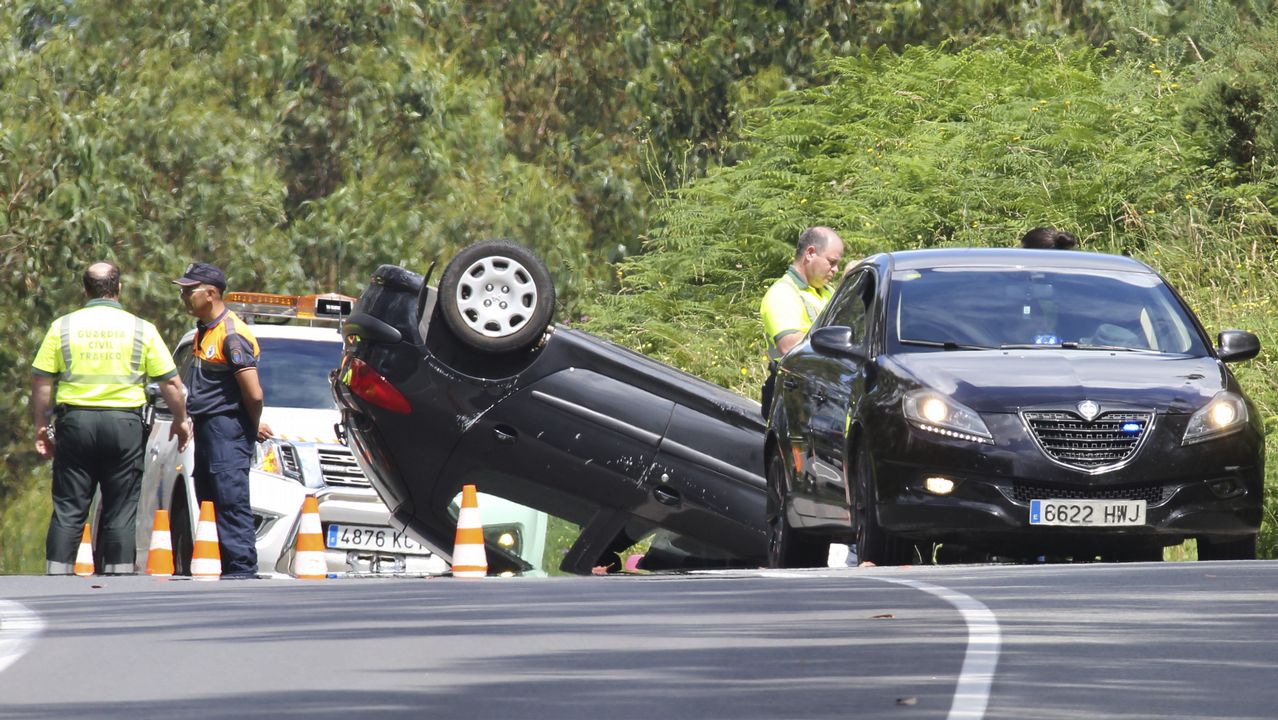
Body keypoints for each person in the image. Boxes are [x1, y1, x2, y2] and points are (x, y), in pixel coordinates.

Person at [30, 261, 192, 575]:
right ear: (118, 289)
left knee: (69, 508)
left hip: (75, 424)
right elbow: (170, 382)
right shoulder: (141, 329)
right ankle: (117, 580)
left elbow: (41, 381)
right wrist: (181, 419)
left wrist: (40, 425)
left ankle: (56, 578)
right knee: (121, 507)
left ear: (85, 289)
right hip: (124, 426)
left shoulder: (63, 326)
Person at [174, 262, 272, 577]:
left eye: (190, 290)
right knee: (209, 497)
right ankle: (221, 565)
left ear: (212, 293)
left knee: (230, 499)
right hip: (208, 427)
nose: (183, 296)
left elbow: (253, 394)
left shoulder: (232, 335)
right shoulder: (206, 331)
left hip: (226, 428)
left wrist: (252, 425)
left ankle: (242, 569)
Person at [760, 226, 846, 359]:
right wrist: (837, 340)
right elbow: (788, 346)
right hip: (793, 378)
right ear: (810, 253)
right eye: (832, 262)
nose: (836, 269)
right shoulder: (782, 293)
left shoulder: (829, 291)